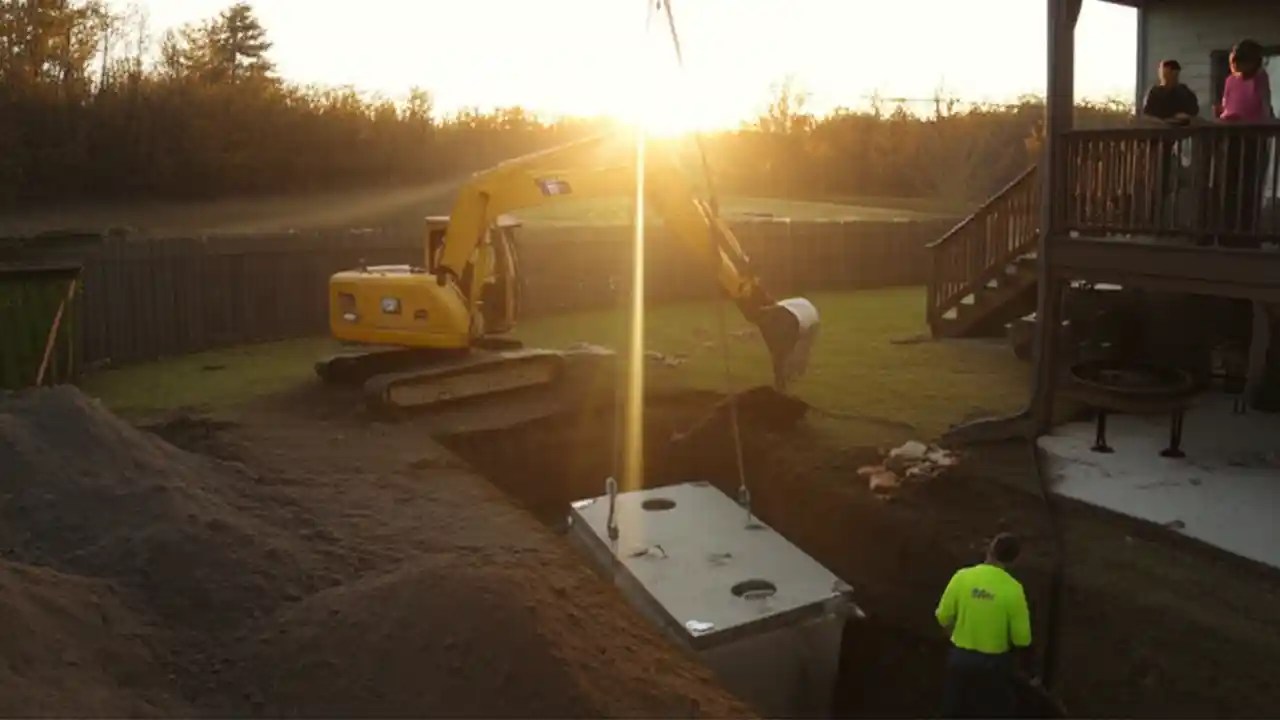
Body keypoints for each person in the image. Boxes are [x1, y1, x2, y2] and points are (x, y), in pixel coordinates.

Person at [935, 533, 1032, 718]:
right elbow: (1022, 638)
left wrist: (956, 636)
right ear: (1014, 561)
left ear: (989, 549)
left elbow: (943, 617)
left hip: (960, 660)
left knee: (953, 711)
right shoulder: (1013, 589)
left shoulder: (962, 577)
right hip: (993, 667)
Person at [1142, 59, 1201, 124]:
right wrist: (1163, 122)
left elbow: (1194, 111)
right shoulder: (1154, 92)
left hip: (1183, 129)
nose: (1172, 77)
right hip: (1160, 129)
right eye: (1168, 73)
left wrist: (1186, 116)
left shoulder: (1184, 92)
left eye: (1174, 75)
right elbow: (1147, 115)